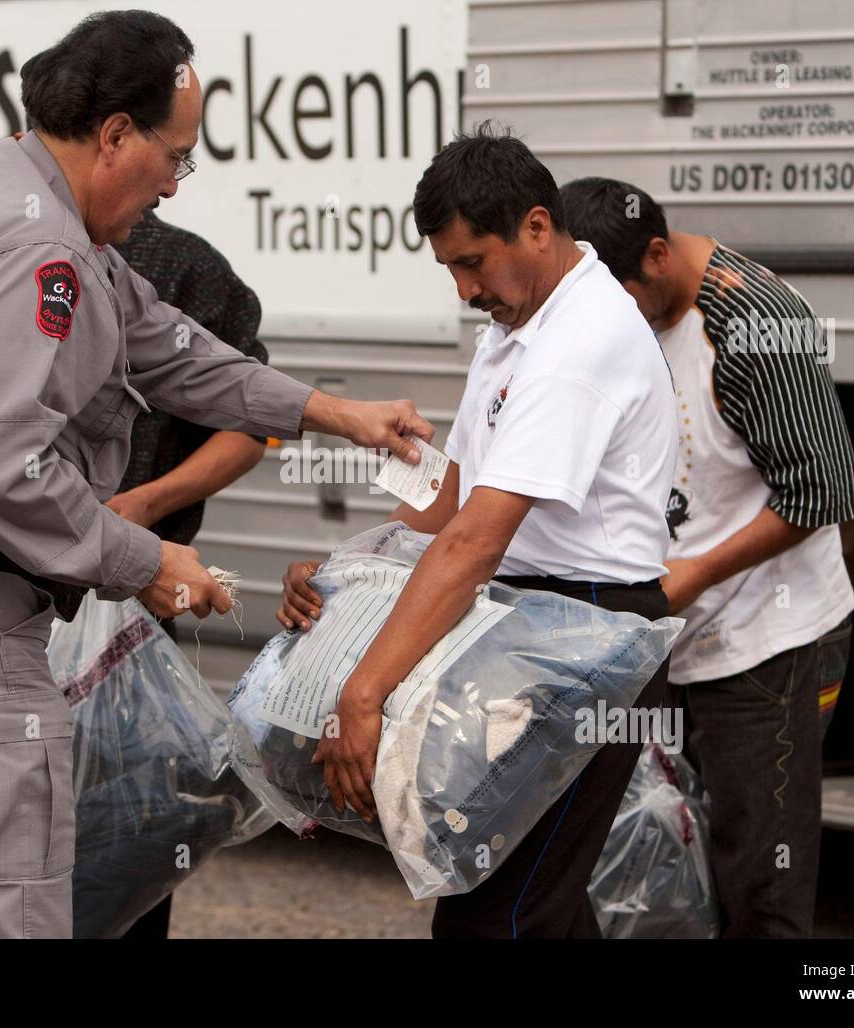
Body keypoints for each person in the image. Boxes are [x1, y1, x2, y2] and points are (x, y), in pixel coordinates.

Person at [0, 10, 431, 940]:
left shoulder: (2, 192)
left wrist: (333, 414)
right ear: (116, 134)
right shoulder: (48, 250)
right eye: (176, 157)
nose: (175, 186)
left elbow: (177, 350)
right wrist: (146, 561)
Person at [278, 124, 677, 938]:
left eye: (472, 262)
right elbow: (452, 489)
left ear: (537, 226)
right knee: (522, 905)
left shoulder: (578, 341)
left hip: (588, 637)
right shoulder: (519, 322)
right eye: (449, 268)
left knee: (503, 913)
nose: (463, 291)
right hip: (524, 624)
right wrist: (349, 575)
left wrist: (364, 692)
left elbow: (473, 540)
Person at [559, 176, 854, 937]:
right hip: (661, 637)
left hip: (769, 641)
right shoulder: (610, 311)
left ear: (657, 257)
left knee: (760, 874)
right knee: (655, 850)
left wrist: (689, 575)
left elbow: (821, 490)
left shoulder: (753, 321)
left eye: (618, 303)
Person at [102, 210, 271, 940]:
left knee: (131, 842)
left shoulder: (185, 269)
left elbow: (250, 422)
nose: (172, 178)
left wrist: (143, 503)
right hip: (9, 612)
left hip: (136, 607)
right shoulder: (3, 249)